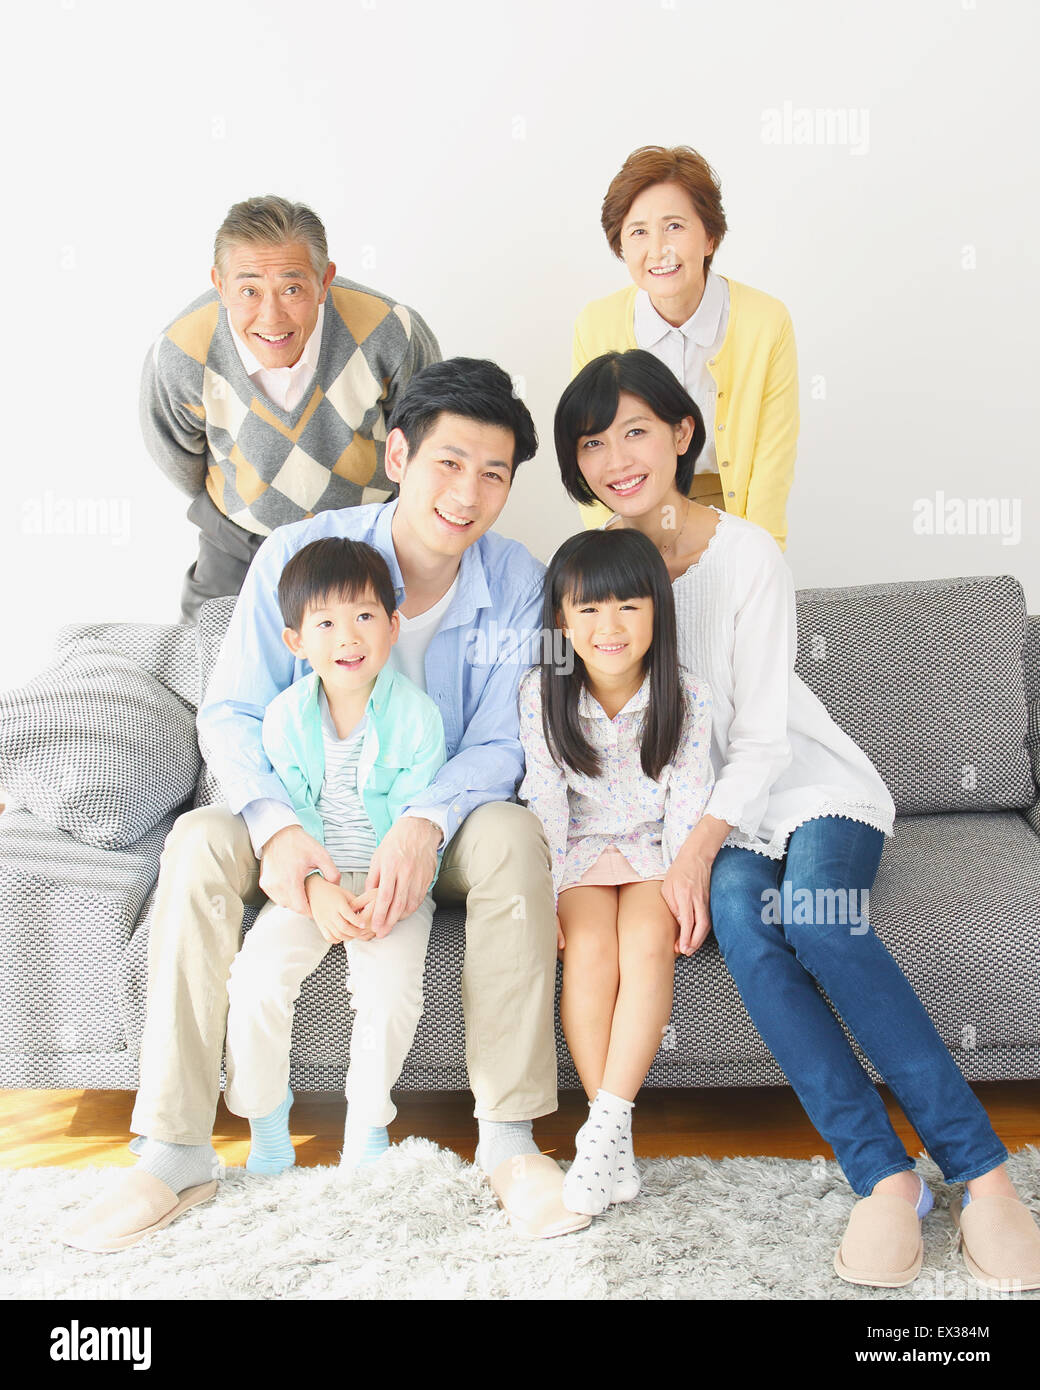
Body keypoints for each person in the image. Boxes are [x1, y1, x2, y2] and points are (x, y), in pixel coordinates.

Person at [63, 358, 590, 1254]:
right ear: (398, 455)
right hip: (302, 811)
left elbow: (506, 743)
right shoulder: (299, 558)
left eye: (494, 474)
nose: (468, 494)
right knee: (196, 840)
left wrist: (425, 824)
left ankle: (507, 1140)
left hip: (441, 830)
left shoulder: (517, 586)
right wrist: (277, 833)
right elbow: (229, 712)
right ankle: (174, 1149)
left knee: (510, 835)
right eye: (449, 463)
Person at [552, 348, 1040, 1290]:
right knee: (744, 923)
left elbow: (767, 738)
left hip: (809, 790)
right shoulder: (601, 575)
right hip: (715, 816)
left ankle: (983, 1177)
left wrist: (689, 857)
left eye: (636, 431)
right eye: (593, 442)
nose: (616, 457)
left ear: (683, 433)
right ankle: (885, 1179)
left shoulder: (746, 555)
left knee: (815, 913)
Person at [223, 537, 446, 1173]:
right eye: (325, 622)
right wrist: (318, 890)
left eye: (365, 617)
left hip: (390, 881)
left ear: (393, 626)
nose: (348, 637)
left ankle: (366, 1123)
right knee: (258, 980)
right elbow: (288, 822)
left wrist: (382, 898)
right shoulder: (283, 720)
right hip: (311, 879)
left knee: (388, 990)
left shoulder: (418, 719)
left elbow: (410, 823)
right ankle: (267, 1120)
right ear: (296, 641)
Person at [517, 528, 713, 1216]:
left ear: (658, 611)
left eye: (629, 606)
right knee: (592, 952)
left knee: (644, 945)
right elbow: (544, 802)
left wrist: (687, 881)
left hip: (658, 852)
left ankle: (603, 1125)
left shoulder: (685, 695)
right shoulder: (542, 693)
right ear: (562, 621)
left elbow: (689, 803)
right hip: (580, 851)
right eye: (589, 610)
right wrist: (543, 896)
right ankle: (613, 1144)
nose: (609, 627)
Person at [140, 194, 441, 622]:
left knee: (369, 666)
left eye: (293, 288)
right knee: (207, 666)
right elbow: (176, 454)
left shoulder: (391, 331)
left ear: (324, 281)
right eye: (248, 290)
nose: (271, 316)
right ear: (219, 285)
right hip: (238, 542)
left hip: (369, 533)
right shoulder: (180, 351)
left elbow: (428, 444)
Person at [571, 145, 798, 551]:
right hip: (632, 519)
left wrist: (761, 555)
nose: (658, 249)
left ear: (709, 237)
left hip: (731, 519)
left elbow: (772, 461)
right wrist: (612, 551)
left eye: (674, 226)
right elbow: (589, 451)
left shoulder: (766, 321)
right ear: (621, 245)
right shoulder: (596, 324)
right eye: (638, 231)